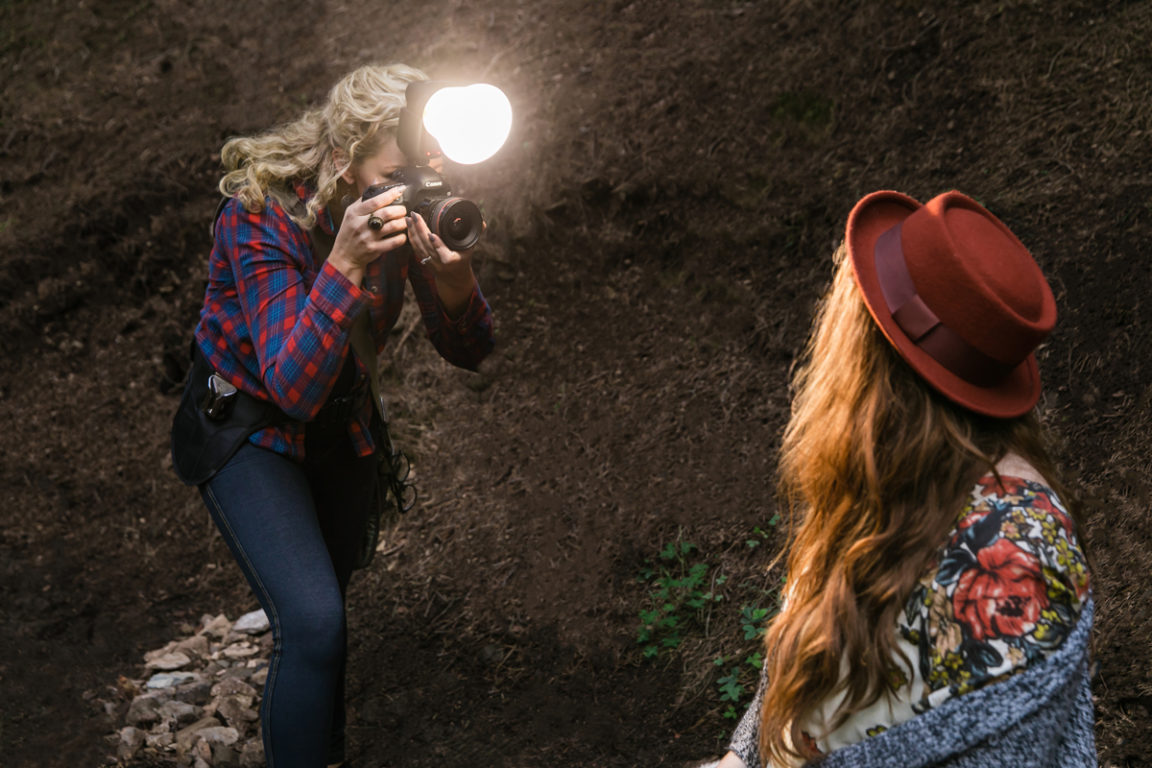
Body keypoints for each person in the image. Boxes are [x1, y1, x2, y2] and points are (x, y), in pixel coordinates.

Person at [170, 63, 494, 768]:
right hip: (245, 421)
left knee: (328, 613)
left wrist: (455, 280)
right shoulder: (259, 214)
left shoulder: (402, 202)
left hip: (338, 426)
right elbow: (290, 387)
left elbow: (472, 351)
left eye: (430, 168)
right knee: (313, 621)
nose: (416, 185)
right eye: (397, 173)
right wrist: (343, 265)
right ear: (345, 161)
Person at [712, 190, 1092, 767]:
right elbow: (800, 673)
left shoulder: (1018, 553)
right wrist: (741, 757)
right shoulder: (877, 476)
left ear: (860, 351)